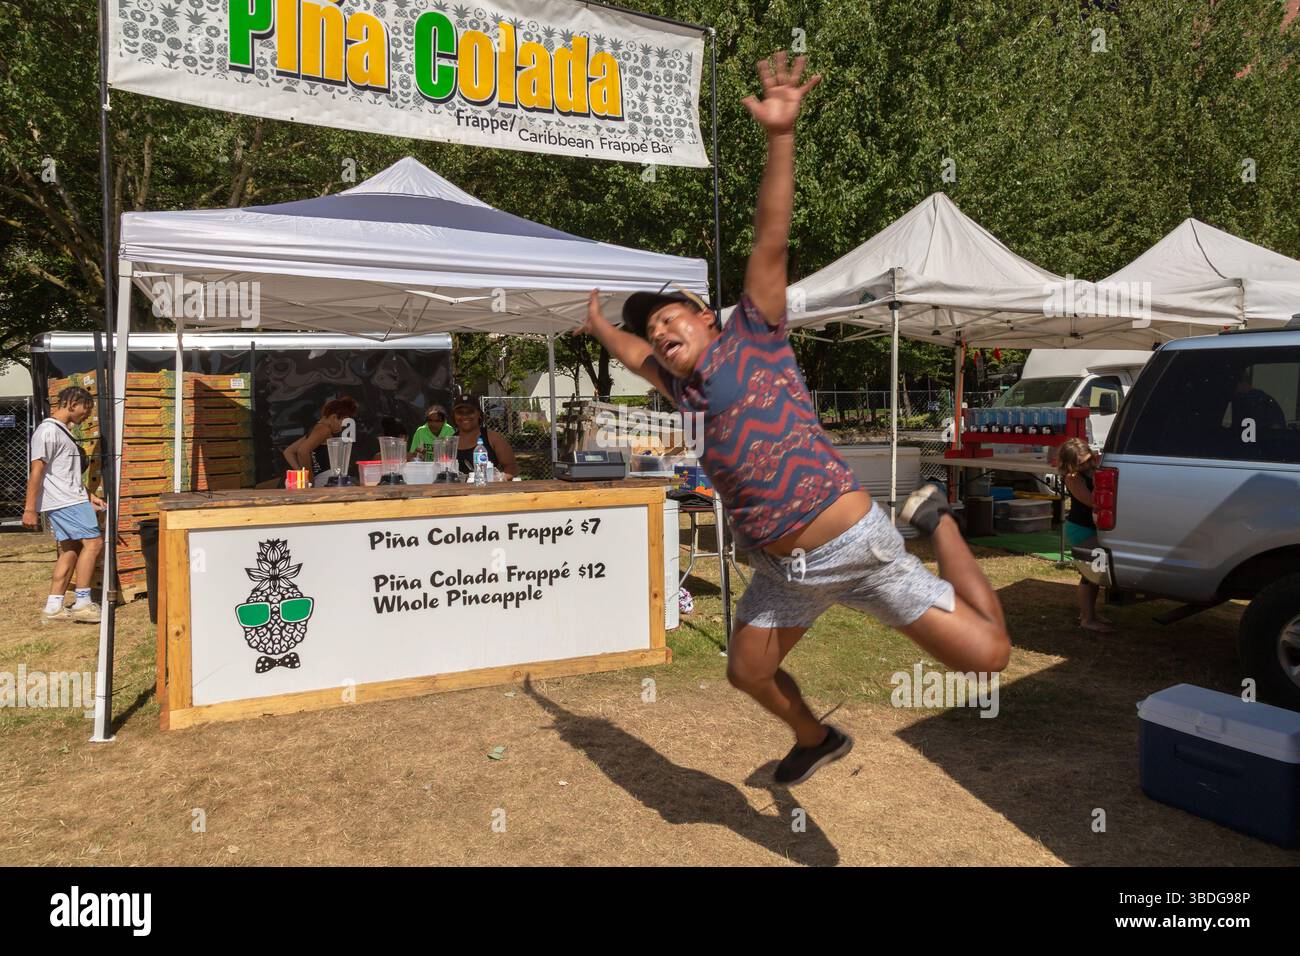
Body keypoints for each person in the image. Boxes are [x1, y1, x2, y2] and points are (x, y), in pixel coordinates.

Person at [574, 51, 1011, 785]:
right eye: (652, 335)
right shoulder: (679, 391)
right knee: (744, 672)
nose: (658, 336)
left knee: (989, 659)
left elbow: (769, 235)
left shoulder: (754, 330)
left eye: (669, 321)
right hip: (783, 570)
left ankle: (941, 524)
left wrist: (781, 137)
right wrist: (599, 329)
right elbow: (629, 349)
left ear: (705, 317)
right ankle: (814, 737)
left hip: (859, 550)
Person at [23, 386, 106, 624]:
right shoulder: (48, 431)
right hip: (65, 501)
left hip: (71, 497)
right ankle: (82, 603)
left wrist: (88, 495)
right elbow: (37, 471)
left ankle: (54, 606)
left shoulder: (61, 431)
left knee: (71, 550)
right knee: (93, 542)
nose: (87, 415)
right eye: (86, 409)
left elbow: (62, 472)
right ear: (73, 403)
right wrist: (30, 509)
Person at [1059, 438, 1113, 634]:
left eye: (1089, 460)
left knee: (1095, 573)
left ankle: (1091, 614)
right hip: (1081, 528)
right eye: (1082, 463)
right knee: (1088, 576)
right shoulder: (1072, 478)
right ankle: (1086, 619)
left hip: (1093, 527)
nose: (1088, 465)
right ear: (1071, 464)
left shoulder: (1091, 470)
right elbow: (1091, 501)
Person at [283, 396, 357, 479]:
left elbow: (289, 452)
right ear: (334, 417)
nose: (341, 428)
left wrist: (301, 474)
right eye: (342, 423)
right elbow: (302, 452)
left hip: (321, 477)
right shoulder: (324, 430)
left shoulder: (315, 429)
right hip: (326, 478)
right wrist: (309, 478)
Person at [452, 394, 518, 479]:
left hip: (488, 489)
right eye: (460, 412)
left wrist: (501, 478)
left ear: (479, 414)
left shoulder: (493, 438)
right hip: (457, 491)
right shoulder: (450, 442)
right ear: (454, 415)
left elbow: (512, 467)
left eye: (470, 412)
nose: (465, 416)